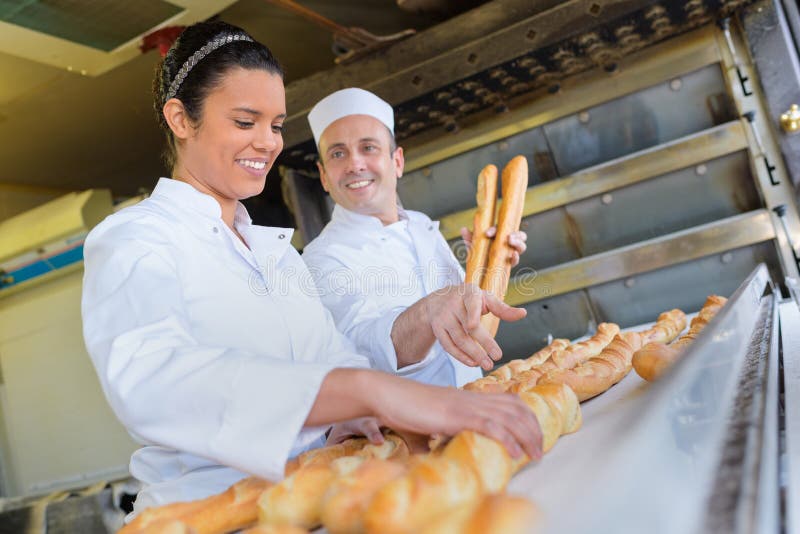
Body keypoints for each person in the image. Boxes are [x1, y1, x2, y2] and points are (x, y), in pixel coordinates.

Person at [80, 21, 542, 519]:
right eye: (244, 122)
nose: (267, 143)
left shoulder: (275, 253)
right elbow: (156, 384)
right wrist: (374, 393)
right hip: (207, 517)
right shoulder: (136, 237)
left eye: (276, 125)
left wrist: (356, 415)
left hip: (315, 502)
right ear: (180, 119)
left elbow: (334, 357)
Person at [302, 88, 529, 392]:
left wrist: (489, 264)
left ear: (397, 161)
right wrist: (427, 312)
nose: (354, 164)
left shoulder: (421, 225)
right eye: (338, 153)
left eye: (368, 147)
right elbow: (362, 349)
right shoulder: (320, 258)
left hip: (474, 402)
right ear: (324, 176)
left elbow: (468, 326)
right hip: (404, 431)